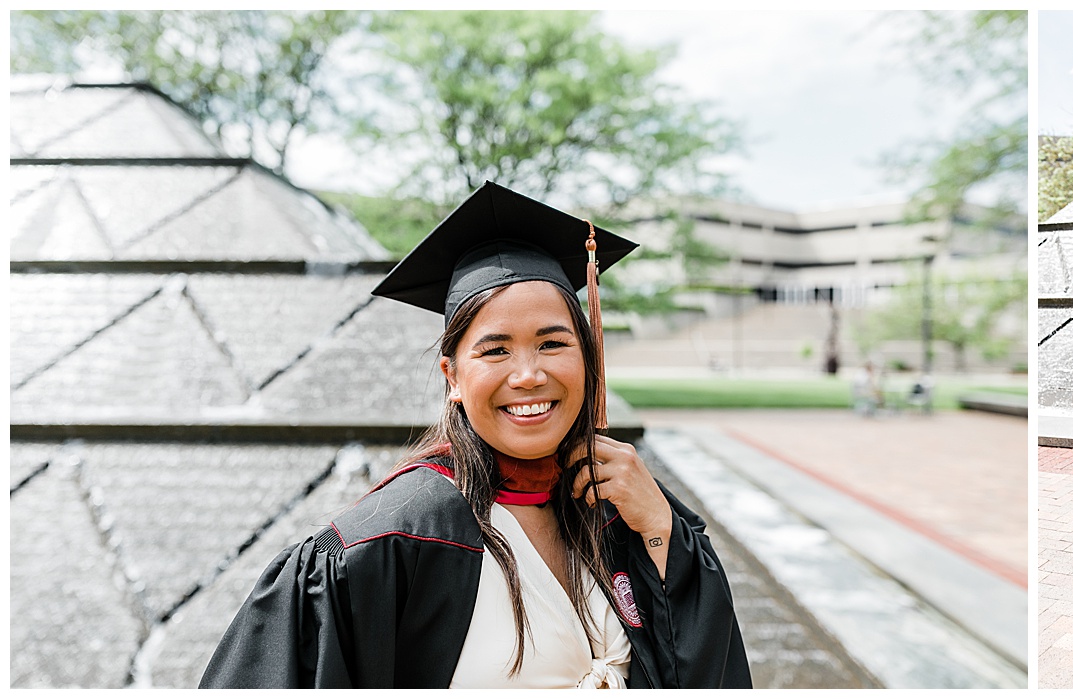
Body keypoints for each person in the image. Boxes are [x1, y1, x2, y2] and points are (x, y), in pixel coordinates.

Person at [200, 183, 752, 688]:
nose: (529, 374)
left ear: (589, 359)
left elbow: (708, 671)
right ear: (453, 377)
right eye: (495, 350)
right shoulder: (392, 541)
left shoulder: (620, 508)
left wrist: (660, 526)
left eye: (554, 344)